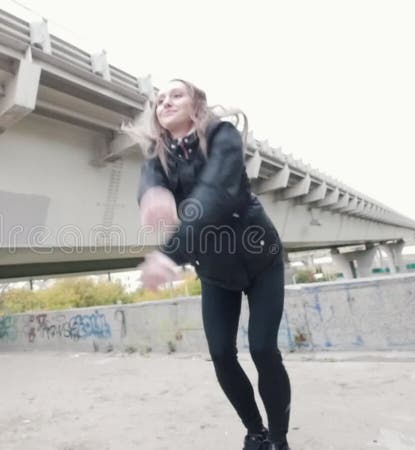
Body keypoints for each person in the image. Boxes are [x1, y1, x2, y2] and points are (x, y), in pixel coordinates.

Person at [131, 79, 292, 450]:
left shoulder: (223, 136)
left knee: (263, 350)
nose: (165, 102)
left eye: (176, 95)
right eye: (159, 100)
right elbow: (151, 179)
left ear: (196, 104)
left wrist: (168, 254)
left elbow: (215, 194)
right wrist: (152, 194)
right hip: (216, 272)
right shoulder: (158, 157)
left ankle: (280, 440)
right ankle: (256, 432)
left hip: (261, 260)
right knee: (221, 354)